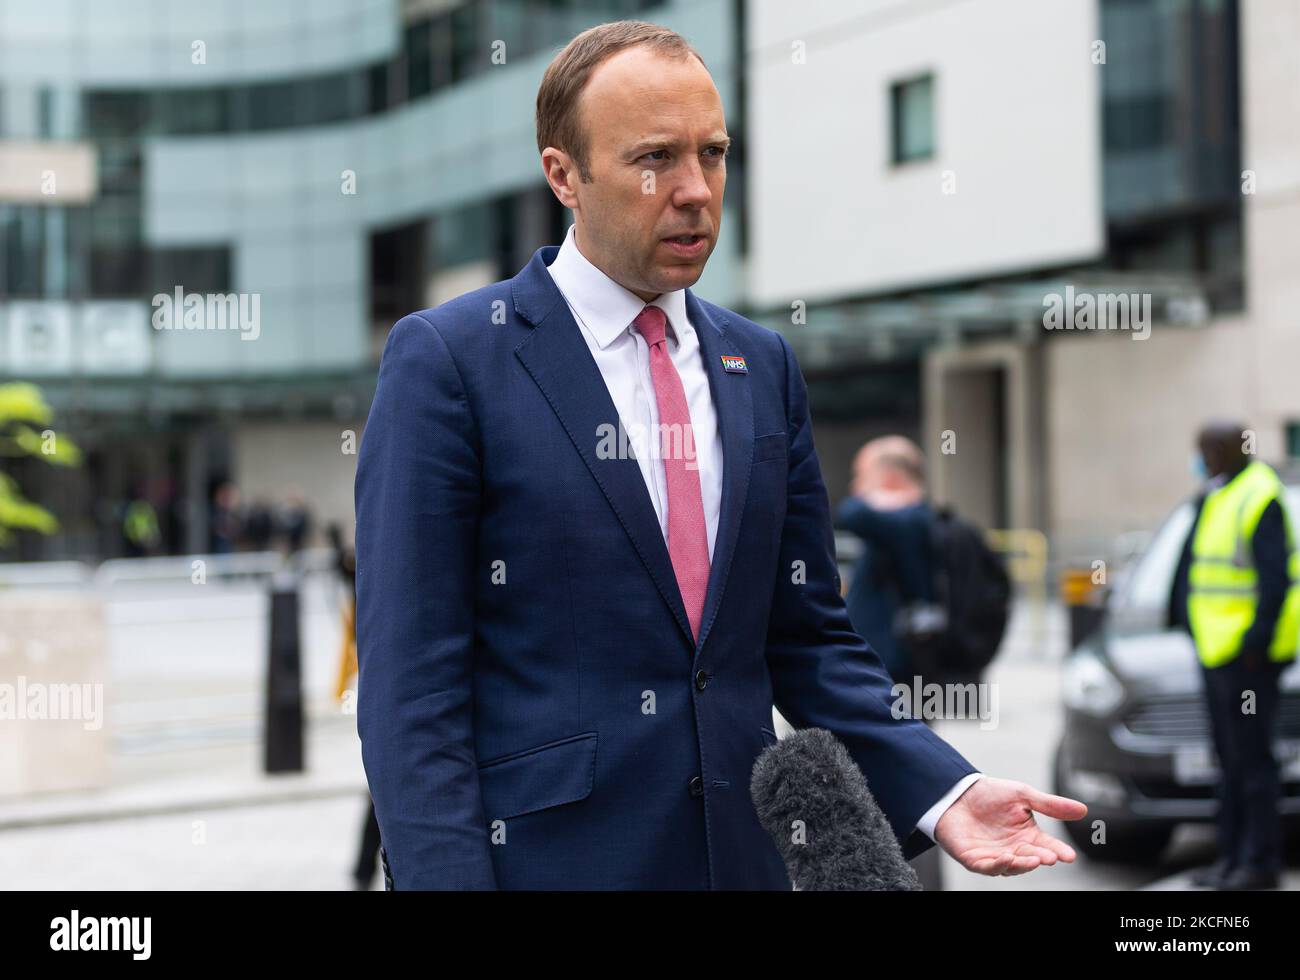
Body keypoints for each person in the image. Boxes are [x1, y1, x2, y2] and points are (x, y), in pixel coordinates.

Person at [354, 19, 1085, 890]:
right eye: (655, 158)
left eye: (714, 152)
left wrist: (943, 789)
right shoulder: (453, 359)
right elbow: (410, 693)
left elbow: (808, 639)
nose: (697, 189)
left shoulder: (761, 364)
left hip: (744, 864)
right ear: (564, 176)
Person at [1169, 421, 1298, 890]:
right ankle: (1229, 859)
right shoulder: (1219, 494)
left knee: (1252, 762)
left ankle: (1259, 864)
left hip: (1248, 660)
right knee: (1228, 761)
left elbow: (1275, 581)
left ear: (1224, 451)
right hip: (1216, 652)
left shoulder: (1259, 496)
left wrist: (1253, 646)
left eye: (1204, 450)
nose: (1200, 459)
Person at [834, 436, 935, 685]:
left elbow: (851, 512)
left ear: (890, 478)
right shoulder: (906, 521)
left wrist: (876, 498)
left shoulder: (910, 521)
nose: (856, 486)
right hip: (888, 660)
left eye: (862, 476)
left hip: (892, 664)